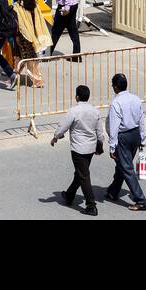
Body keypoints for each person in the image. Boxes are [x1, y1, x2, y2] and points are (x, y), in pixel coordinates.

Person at [51, 84, 106, 216]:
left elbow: (63, 126)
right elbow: (100, 132)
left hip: (78, 149)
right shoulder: (95, 111)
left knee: (83, 175)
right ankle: (69, 195)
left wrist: (55, 137)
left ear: (77, 96)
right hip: (91, 148)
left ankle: (91, 205)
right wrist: (100, 145)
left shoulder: (74, 111)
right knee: (81, 172)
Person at [105, 73, 146, 211]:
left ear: (116, 87)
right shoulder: (135, 99)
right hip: (135, 135)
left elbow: (114, 126)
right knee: (122, 165)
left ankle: (140, 200)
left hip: (123, 137)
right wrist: (142, 138)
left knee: (126, 167)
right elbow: (141, 120)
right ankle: (113, 191)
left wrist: (112, 147)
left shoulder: (116, 103)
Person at [12, 0, 51, 87]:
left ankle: (37, 81)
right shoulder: (34, 4)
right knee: (20, 56)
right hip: (32, 34)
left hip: (23, 36)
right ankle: (14, 76)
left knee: (29, 59)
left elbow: (19, 23)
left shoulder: (18, 6)